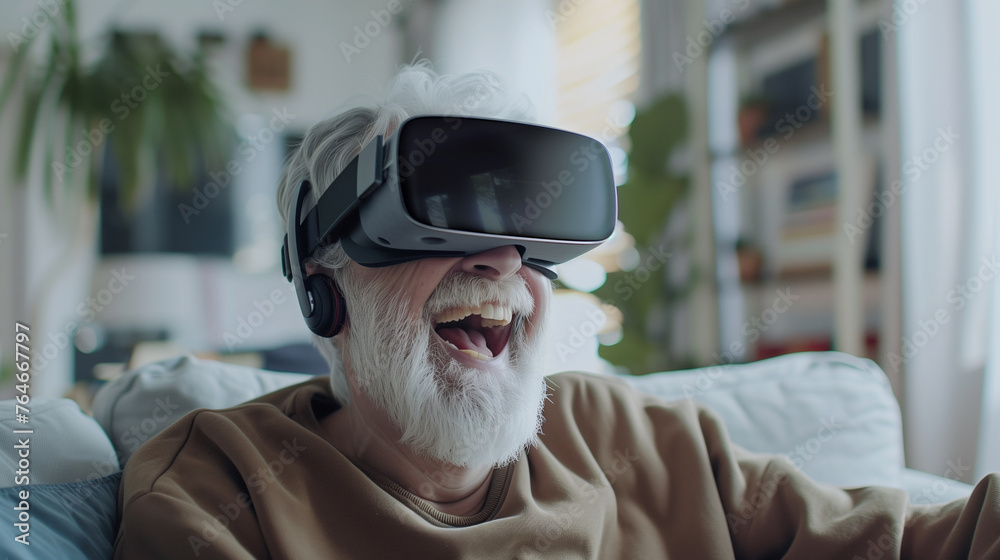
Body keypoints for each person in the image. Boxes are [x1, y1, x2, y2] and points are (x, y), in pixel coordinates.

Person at [114, 63, 1000, 559]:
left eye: (529, 242)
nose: (505, 266)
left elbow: (916, 541)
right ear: (323, 282)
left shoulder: (635, 440)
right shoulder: (219, 486)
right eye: (441, 221)